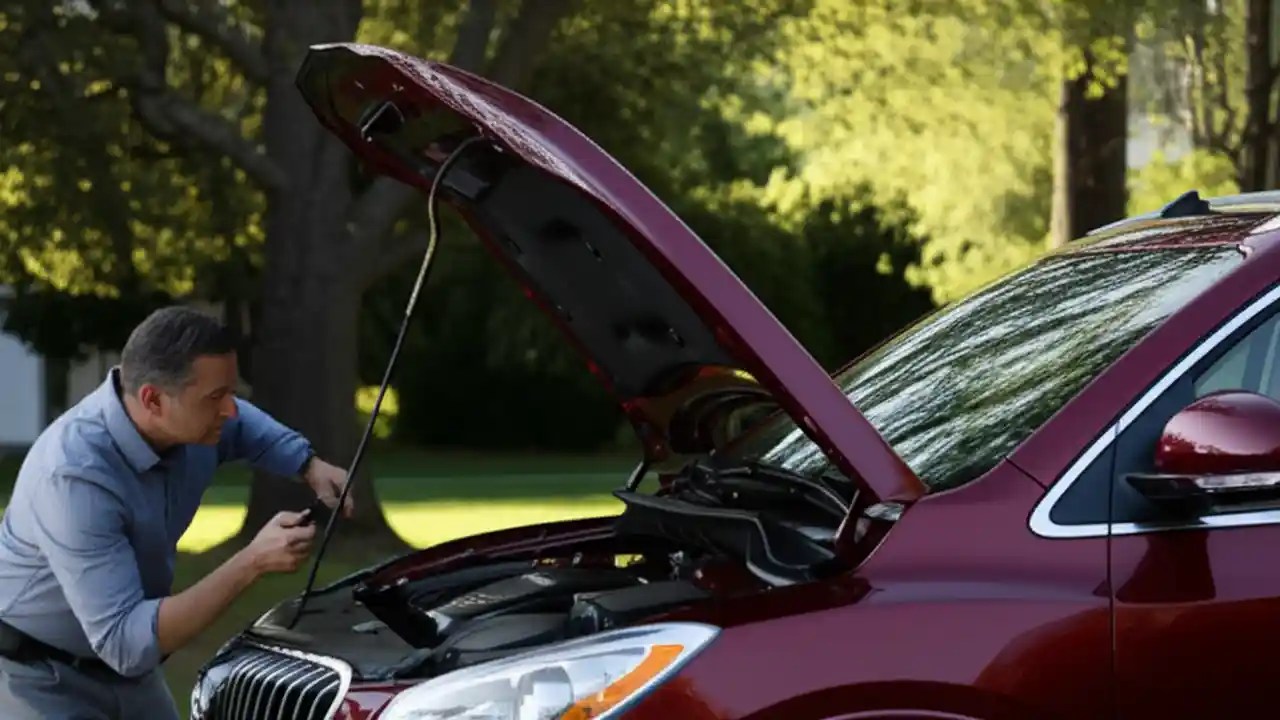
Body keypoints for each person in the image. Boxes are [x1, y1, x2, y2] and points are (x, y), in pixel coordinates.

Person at [0, 306, 353, 718]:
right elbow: (126, 642)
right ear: (153, 399)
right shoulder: (74, 476)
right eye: (216, 397)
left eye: (230, 393)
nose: (230, 410)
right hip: (37, 679)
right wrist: (252, 562)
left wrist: (306, 464)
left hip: (131, 676)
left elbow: (244, 425)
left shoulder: (194, 425)